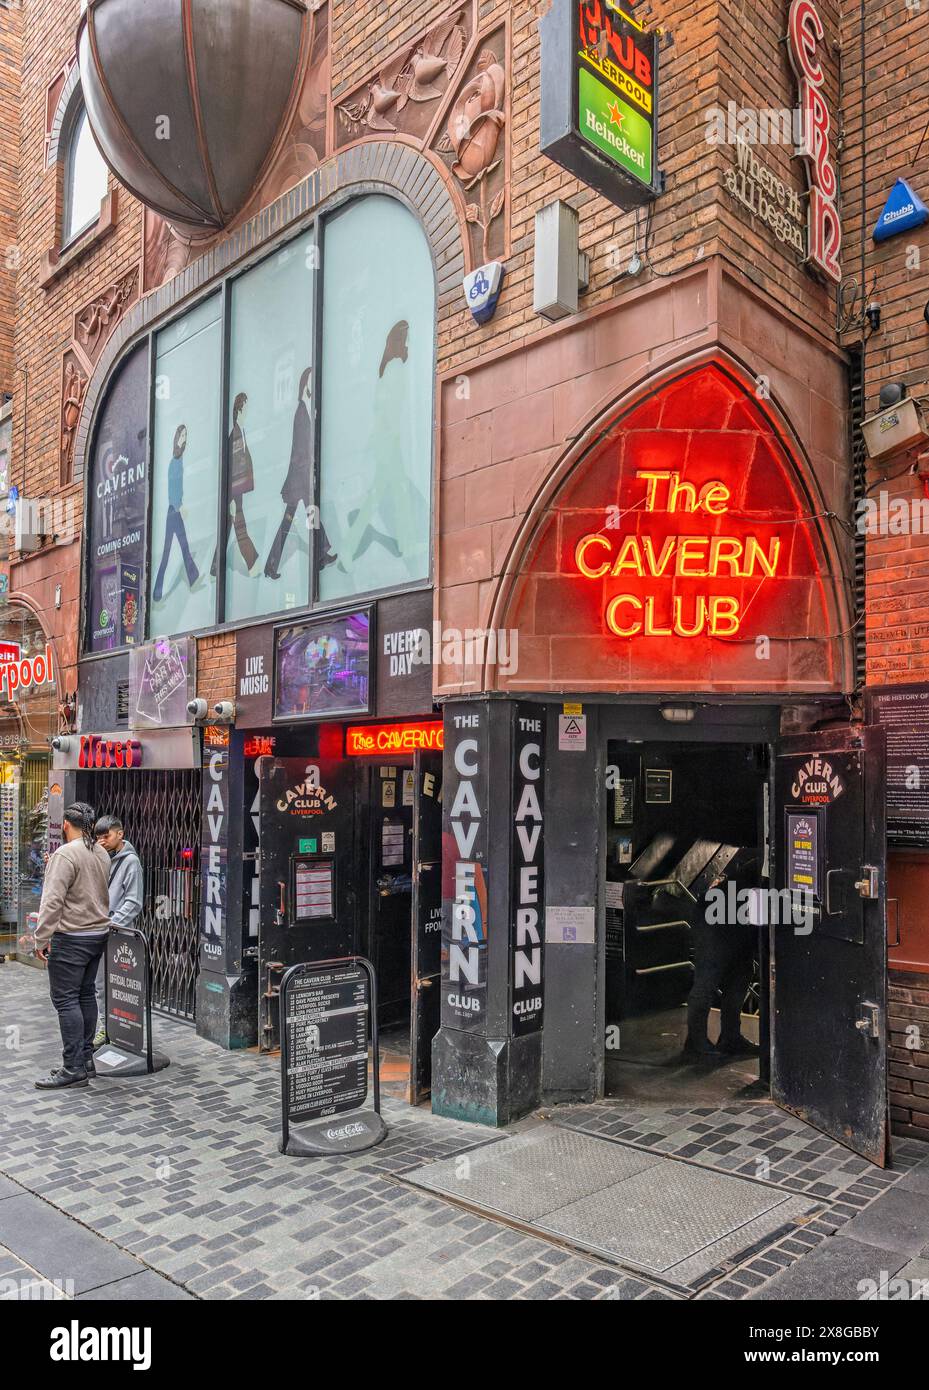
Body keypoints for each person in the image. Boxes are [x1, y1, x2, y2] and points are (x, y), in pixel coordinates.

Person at [33, 803, 112, 1090]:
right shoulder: (100, 852)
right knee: (86, 995)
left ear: (66, 824)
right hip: (97, 934)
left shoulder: (65, 854)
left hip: (72, 937)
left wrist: (40, 939)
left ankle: (73, 1067)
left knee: (66, 1000)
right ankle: (86, 1059)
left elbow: (52, 902)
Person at [684, 852, 760, 1060]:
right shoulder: (767, 864)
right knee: (708, 978)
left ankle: (730, 1037)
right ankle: (696, 1042)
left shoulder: (769, 864)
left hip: (738, 921)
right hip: (714, 917)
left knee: (741, 973)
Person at [264, 368, 337, 579]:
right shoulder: (300, 413)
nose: (314, 387)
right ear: (305, 386)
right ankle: (320, 553)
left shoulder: (306, 411)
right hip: (299, 479)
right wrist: (306, 471)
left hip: (301, 478)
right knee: (308, 515)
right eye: (312, 382)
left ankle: (274, 564)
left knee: (297, 519)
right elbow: (298, 450)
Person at [92, 815, 144, 1047]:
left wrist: (111, 923)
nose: (102, 841)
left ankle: (117, 1030)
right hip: (98, 929)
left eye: (107, 836)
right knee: (100, 984)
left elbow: (133, 902)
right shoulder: (99, 856)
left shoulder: (130, 862)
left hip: (118, 935)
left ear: (120, 834)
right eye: (98, 837)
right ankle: (106, 1026)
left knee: (119, 983)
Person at [211, 392, 258, 577]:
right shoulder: (235, 436)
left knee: (228, 528)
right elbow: (231, 470)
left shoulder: (241, 432)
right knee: (240, 527)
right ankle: (253, 562)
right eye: (246, 406)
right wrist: (230, 498)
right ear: (239, 409)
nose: (248, 410)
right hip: (234, 492)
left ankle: (215, 567)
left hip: (237, 490)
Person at [152, 423, 199, 602]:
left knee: (182, 547)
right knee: (170, 551)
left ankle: (191, 578)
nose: (184, 439)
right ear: (176, 439)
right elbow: (173, 491)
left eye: (185, 436)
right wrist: (180, 506)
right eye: (182, 436)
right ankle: (157, 592)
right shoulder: (174, 462)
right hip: (174, 511)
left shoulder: (178, 461)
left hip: (174, 511)